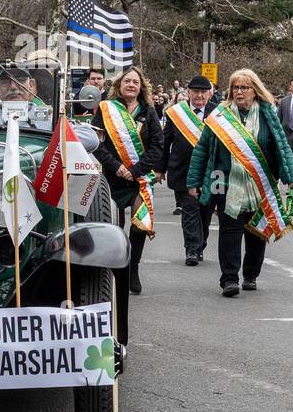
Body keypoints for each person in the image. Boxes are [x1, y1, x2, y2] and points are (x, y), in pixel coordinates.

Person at [187, 68, 293, 297]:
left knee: (257, 232)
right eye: (235, 88)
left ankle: (250, 274)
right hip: (226, 183)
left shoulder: (268, 113)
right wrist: (194, 181)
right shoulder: (220, 115)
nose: (239, 92)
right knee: (229, 232)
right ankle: (229, 278)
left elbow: (282, 147)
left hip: (261, 183)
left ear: (255, 90)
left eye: (244, 88)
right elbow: (202, 149)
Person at [91, 67, 165, 333]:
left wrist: (134, 170)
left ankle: (132, 268)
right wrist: (117, 167)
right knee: (113, 225)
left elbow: (157, 145)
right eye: (127, 81)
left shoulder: (149, 112)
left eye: (135, 82)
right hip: (112, 176)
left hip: (138, 179)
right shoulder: (105, 108)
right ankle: (112, 269)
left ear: (141, 86)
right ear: (119, 85)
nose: (131, 85)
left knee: (139, 224)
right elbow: (97, 144)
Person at [163, 75, 216, 266]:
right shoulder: (176, 113)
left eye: (203, 92)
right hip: (183, 170)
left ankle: (200, 244)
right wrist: (160, 169)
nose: (199, 96)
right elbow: (165, 142)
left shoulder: (218, 112)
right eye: (195, 92)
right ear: (189, 93)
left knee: (205, 212)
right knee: (190, 210)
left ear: (209, 93)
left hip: (210, 173)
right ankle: (191, 250)